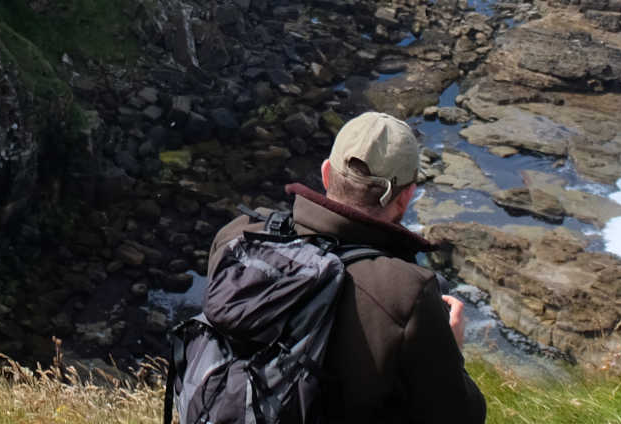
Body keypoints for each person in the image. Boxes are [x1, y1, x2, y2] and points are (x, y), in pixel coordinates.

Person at [203, 111, 487, 423]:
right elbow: (460, 416)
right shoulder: (407, 294)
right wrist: (452, 353)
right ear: (406, 197)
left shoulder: (238, 235)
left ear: (326, 174)